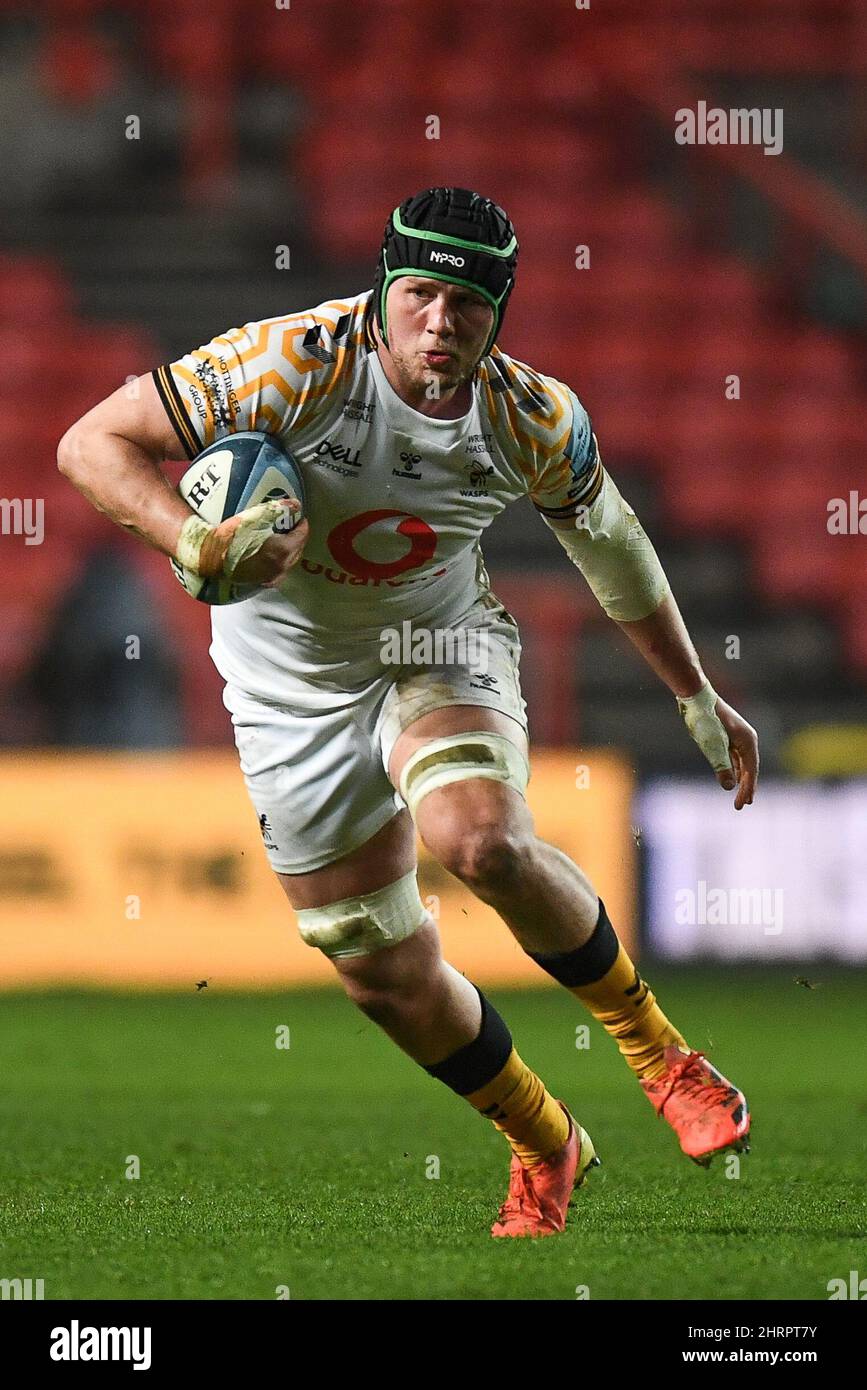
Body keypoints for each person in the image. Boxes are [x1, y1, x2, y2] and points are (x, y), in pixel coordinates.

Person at [58, 186, 758, 1238]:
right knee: (378, 967)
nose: (442, 321)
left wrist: (695, 692)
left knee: (480, 841)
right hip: (287, 689)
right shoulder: (291, 365)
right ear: (387, 289)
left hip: (436, 650)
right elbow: (90, 442)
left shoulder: (530, 416)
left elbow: (613, 549)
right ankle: (542, 1136)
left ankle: (661, 1054)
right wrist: (188, 538)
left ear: (499, 312)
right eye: (421, 293)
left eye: (469, 302)